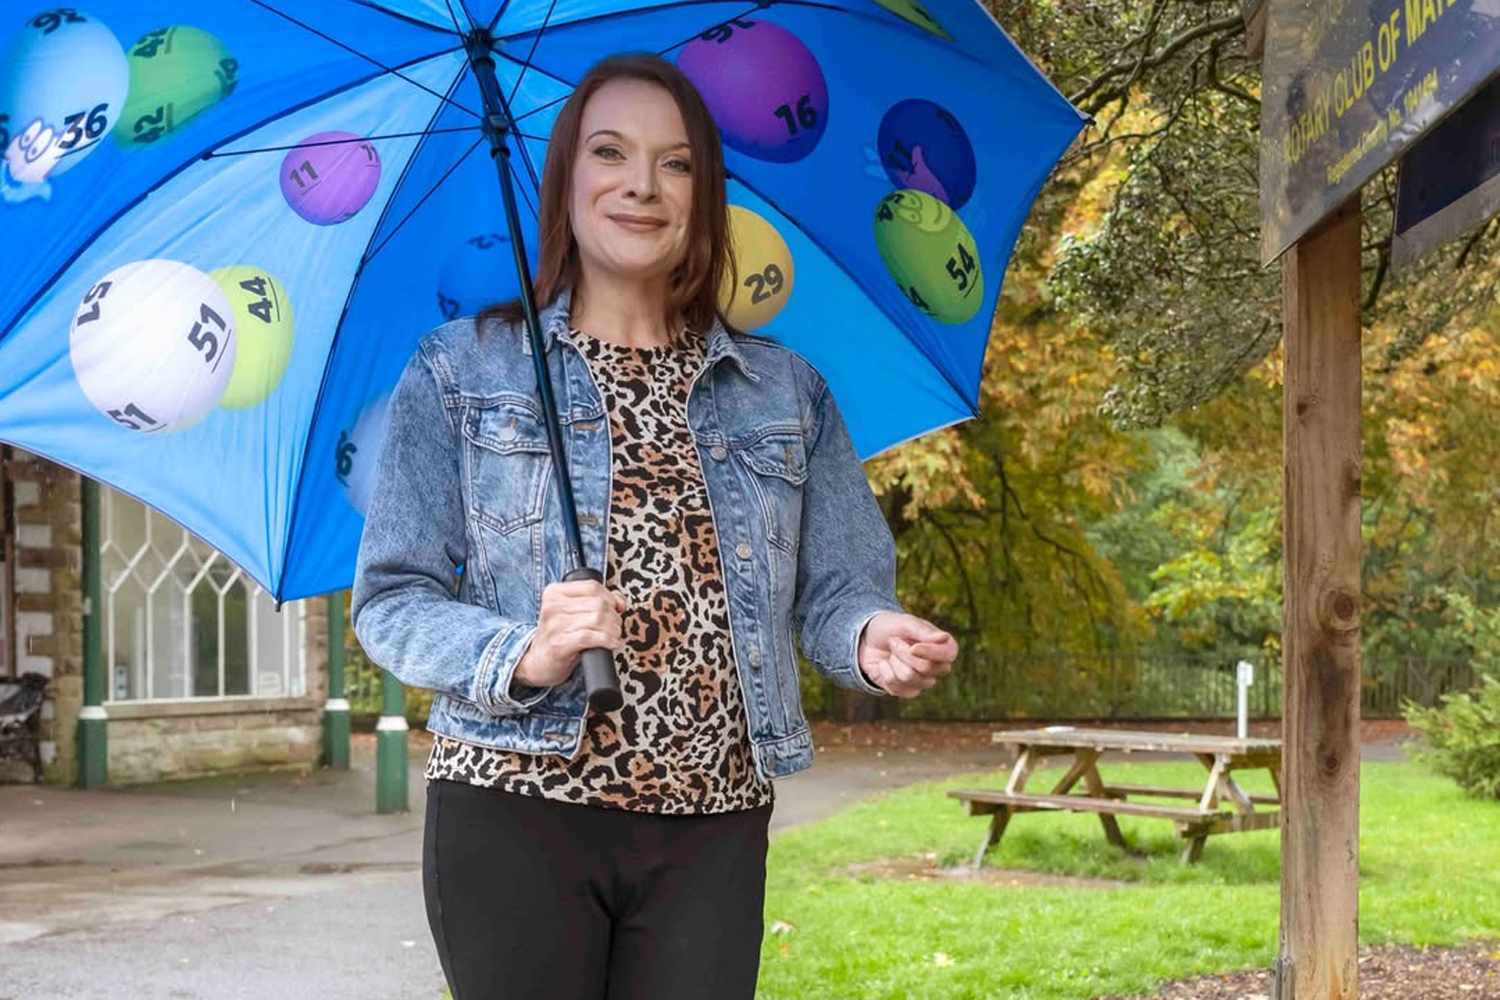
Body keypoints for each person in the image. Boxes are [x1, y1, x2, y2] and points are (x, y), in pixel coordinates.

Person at [350, 51, 959, 1000]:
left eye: (675, 163)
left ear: (703, 192)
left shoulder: (785, 391)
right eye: (610, 153)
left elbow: (839, 589)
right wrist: (525, 650)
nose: (642, 184)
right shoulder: (464, 369)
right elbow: (392, 600)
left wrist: (872, 635)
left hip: (713, 824)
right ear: (567, 180)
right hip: (515, 808)